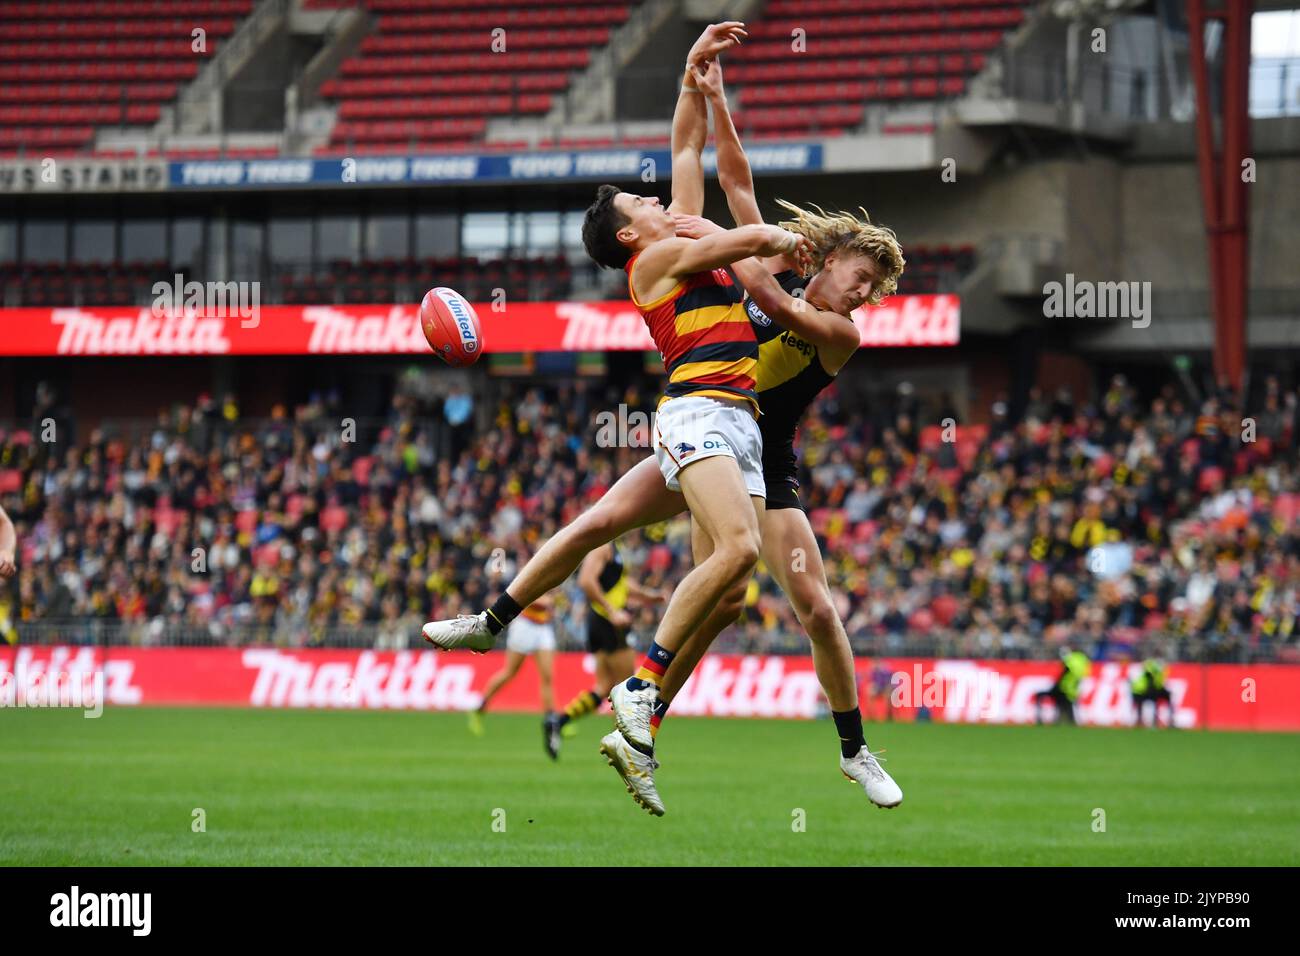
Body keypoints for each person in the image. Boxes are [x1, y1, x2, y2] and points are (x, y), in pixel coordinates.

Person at [543, 538, 666, 758]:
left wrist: (647, 596)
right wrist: (612, 612)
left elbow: (620, 585)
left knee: (604, 686)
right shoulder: (603, 546)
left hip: (599, 621)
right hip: (607, 621)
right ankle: (624, 748)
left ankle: (559, 722)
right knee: (627, 687)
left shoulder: (614, 547)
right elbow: (586, 581)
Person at [466, 594, 557, 744]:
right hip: (525, 625)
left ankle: (553, 721)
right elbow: (530, 594)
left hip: (543, 627)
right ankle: (479, 709)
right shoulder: (531, 571)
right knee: (510, 672)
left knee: (547, 677)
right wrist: (548, 601)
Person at [1034, 647, 1092, 725]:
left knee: (1040, 696)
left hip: (1064, 690)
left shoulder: (1071, 660)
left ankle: (1040, 720)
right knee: (1067, 708)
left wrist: (1057, 684)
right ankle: (1061, 719)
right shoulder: (1083, 662)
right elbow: (1084, 677)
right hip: (1073, 692)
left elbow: (1066, 672)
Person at [1130, 658, 1174, 728]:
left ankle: (1144, 721)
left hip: (1142, 691)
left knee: (1150, 702)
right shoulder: (1154, 671)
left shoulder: (1145, 670)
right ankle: (1150, 721)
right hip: (1142, 691)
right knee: (1153, 701)